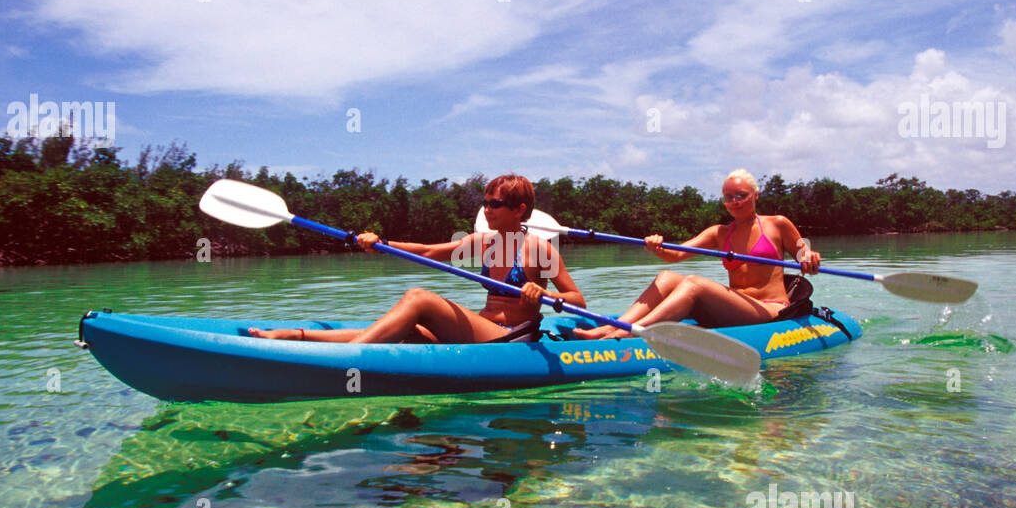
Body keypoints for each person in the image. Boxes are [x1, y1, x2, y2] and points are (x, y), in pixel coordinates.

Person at [249, 174, 585, 343]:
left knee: (419, 298)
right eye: (485, 202)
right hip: (483, 328)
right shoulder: (483, 242)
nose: (486, 209)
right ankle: (295, 337)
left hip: (511, 336)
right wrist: (382, 242)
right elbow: (426, 251)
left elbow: (577, 301)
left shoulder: (539, 249)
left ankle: (348, 359)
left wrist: (547, 295)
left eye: (494, 204)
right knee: (408, 327)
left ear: (519, 210)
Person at [573, 169, 820, 339]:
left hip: (769, 309)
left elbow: (803, 252)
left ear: (755, 195)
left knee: (693, 283)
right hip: (734, 307)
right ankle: (610, 326)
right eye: (728, 198)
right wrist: (656, 245)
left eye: (741, 196)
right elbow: (675, 255)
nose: (735, 202)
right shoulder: (719, 233)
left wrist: (809, 257)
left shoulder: (777, 224)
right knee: (667, 276)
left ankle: (629, 331)